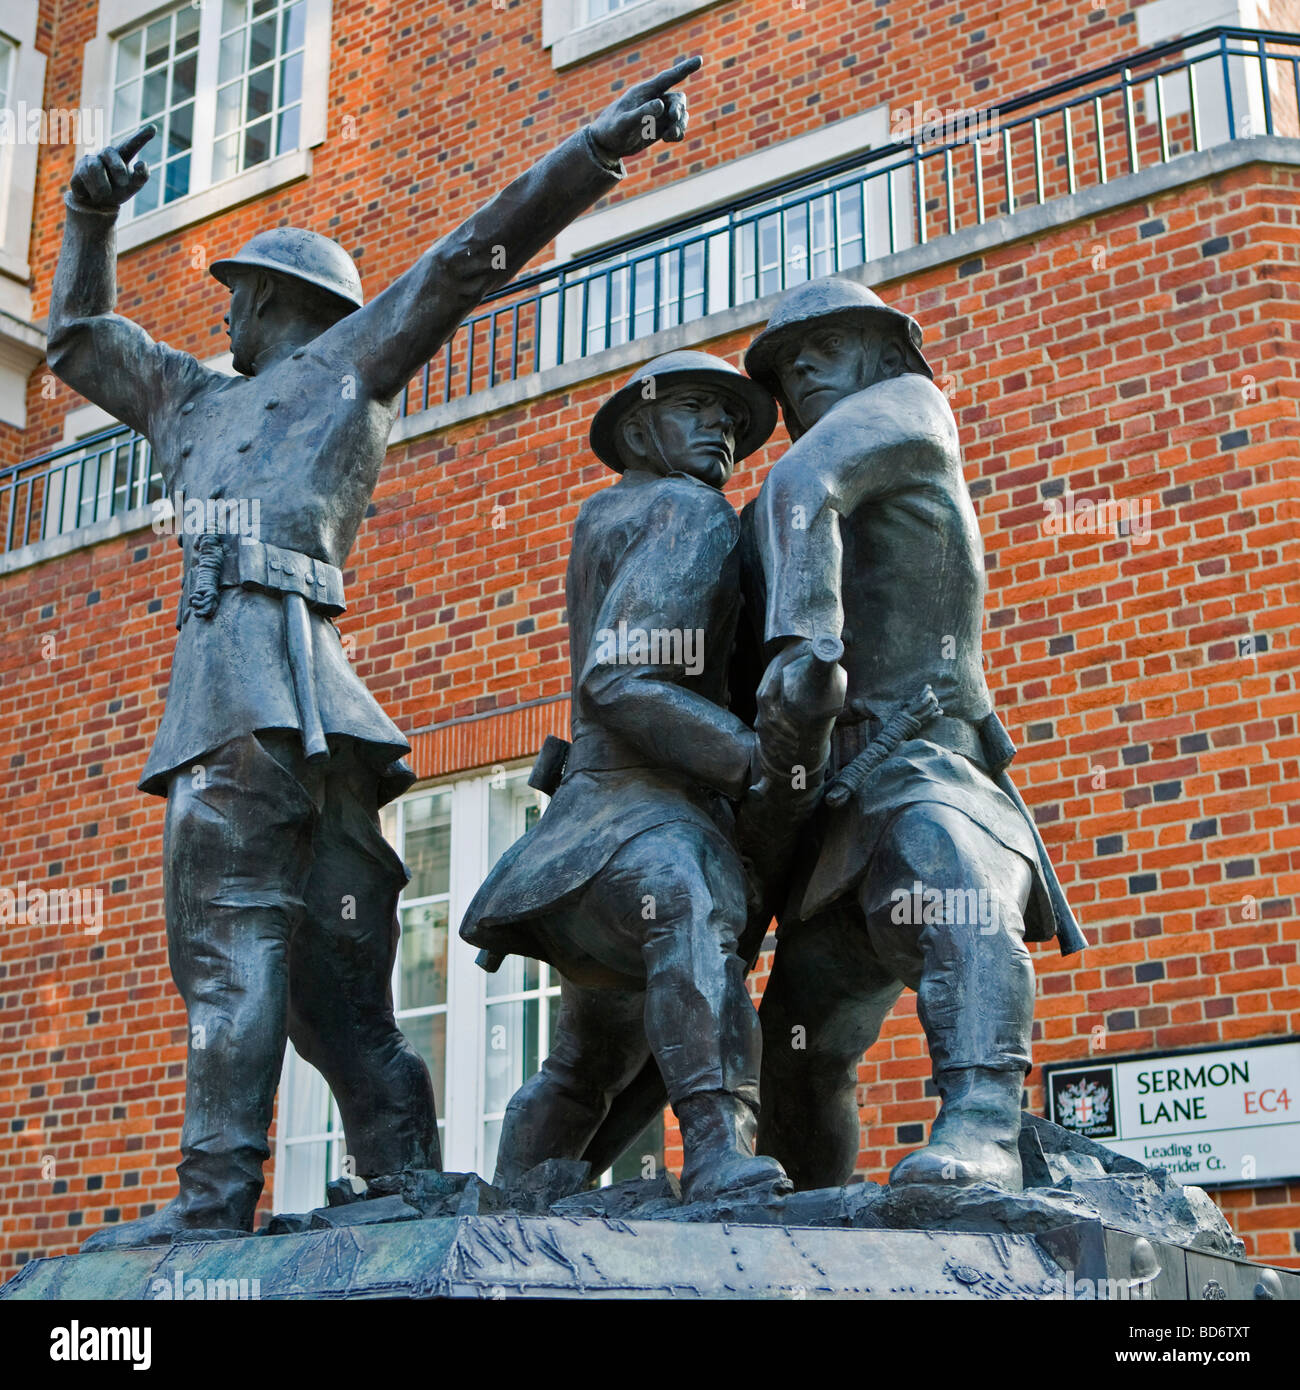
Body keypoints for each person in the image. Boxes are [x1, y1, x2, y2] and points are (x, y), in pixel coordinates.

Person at [48, 58, 703, 1249]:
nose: (225, 316)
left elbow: (465, 258)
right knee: (335, 987)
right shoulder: (189, 397)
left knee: (235, 951)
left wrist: (594, 153)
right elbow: (81, 339)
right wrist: (89, 218)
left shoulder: (341, 365)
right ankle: (405, 1173)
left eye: (238, 296)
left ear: (272, 302)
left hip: (240, 709)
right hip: (316, 721)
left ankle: (211, 1199)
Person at [743, 277, 1085, 1193]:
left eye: (825, 347)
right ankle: (806, 1210)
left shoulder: (909, 408)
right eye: (787, 366)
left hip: (923, 754)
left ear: (886, 352)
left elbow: (805, 483)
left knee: (951, 886)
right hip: (833, 797)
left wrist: (801, 646)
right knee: (797, 1038)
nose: (802, 372)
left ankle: (982, 1123)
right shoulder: (772, 507)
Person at [459, 350, 805, 1203]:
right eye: (695, 409)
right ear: (641, 432)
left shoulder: (605, 511)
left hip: (585, 831)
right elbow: (620, 680)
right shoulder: (690, 509)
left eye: (732, 419)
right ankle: (718, 1150)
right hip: (651, 815)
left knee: (585, 1059)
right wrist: (753, 758)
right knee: (690, 913)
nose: (721, 428)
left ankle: (508, 1204)